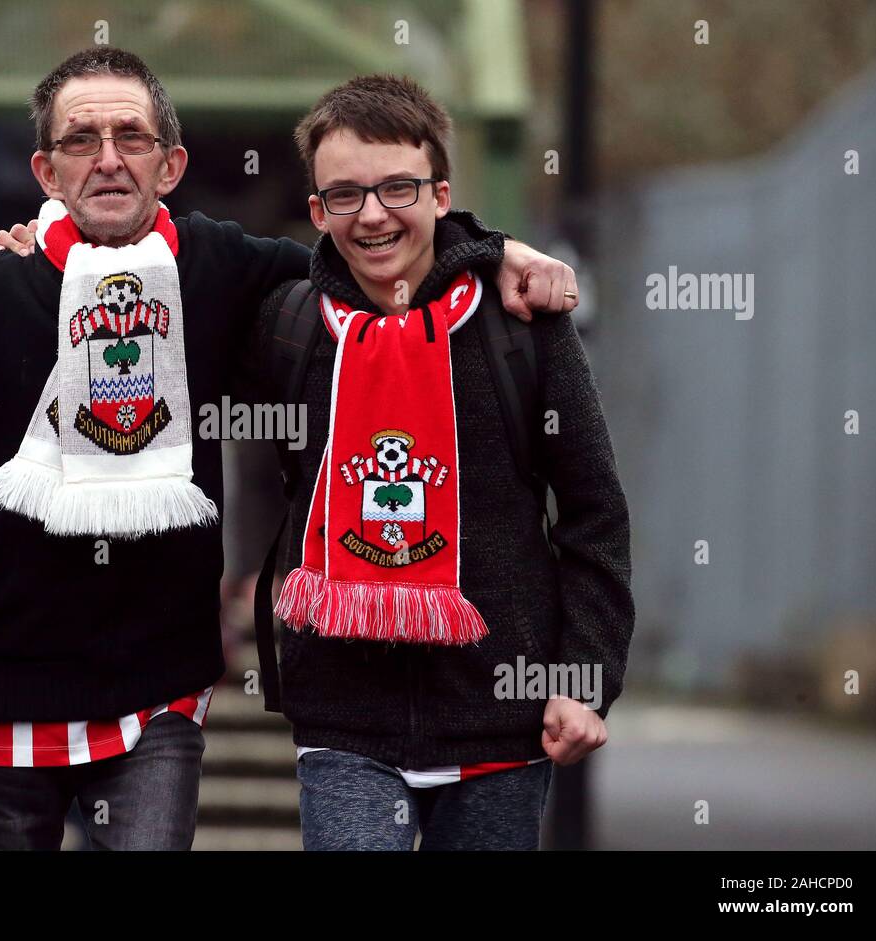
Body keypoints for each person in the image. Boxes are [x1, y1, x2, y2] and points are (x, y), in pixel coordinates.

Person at [0, 47, 573, 852]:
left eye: (131, 136)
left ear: (171, 165)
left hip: (160, 694)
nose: (107, 159)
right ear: (44, 169)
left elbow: (366, 245)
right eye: (80, 140)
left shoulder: (223, 266)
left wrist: (491, 247)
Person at [248, 75, 634, 850]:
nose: (375, 214)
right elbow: (272, 481)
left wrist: (583, 675)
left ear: (440, 192)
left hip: (499, 714)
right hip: (341, 718)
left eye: (398, 187)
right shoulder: (289, 326)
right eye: (347, 195)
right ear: (318, 212)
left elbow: (593, 510)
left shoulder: (521, 327)